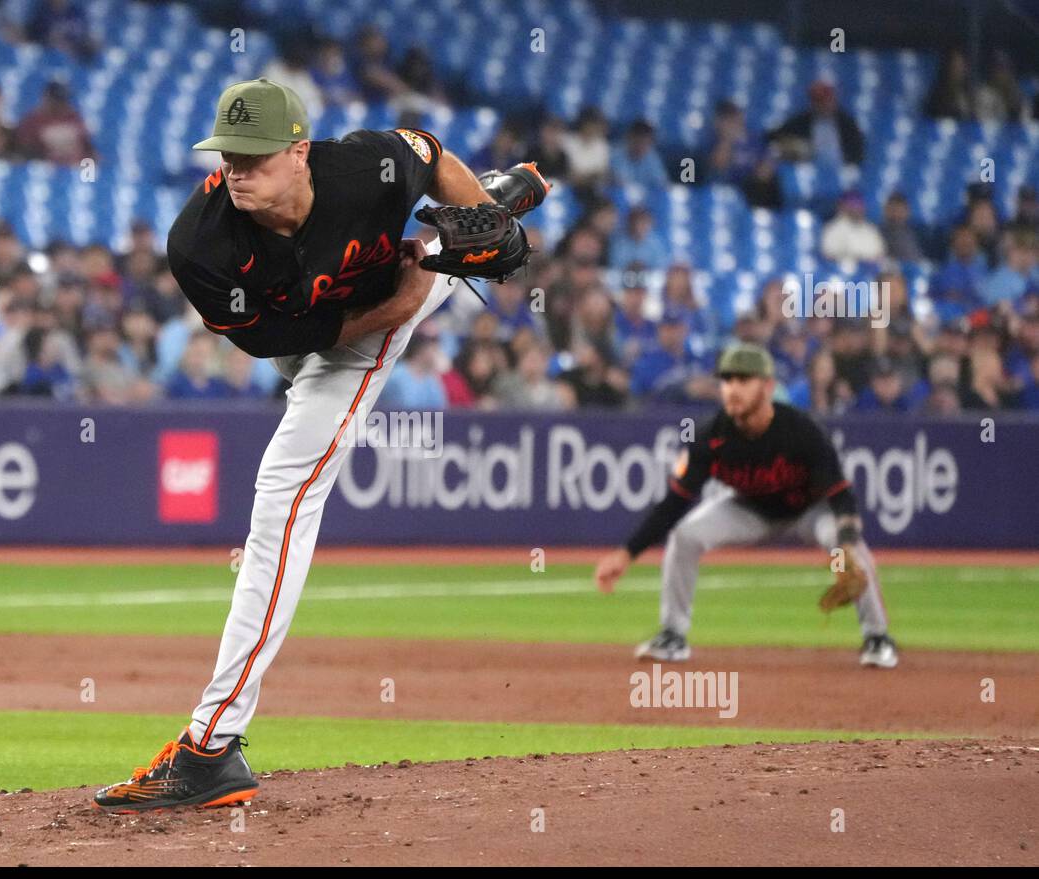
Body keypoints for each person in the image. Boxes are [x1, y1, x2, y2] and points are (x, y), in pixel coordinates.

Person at [93, 77, 544, 813]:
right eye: (228, 155)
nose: (237, 169)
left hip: (375, 312)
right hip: (324, 319)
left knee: (280, 501)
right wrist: (405, 294)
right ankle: (445, 243)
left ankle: (210, 748)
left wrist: (487, 218)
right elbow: (287, 342)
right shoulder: (201, 243)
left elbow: (427, 151)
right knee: (385, 288)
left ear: (300, 152)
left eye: (255, 155)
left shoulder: (364, 167)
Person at [594, 342, 898, 669]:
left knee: (849, 552)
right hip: (748, 509)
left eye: (743, 380)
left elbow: (840, 495)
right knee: (685, 535)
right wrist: (626, 553)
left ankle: (877, 637)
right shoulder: (710, 436)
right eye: (727, 381)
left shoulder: (802, 431)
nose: (732, 389)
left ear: (767, 386)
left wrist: (847, 547)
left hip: (809, 511)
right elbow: (673, 504)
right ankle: (673, 635)